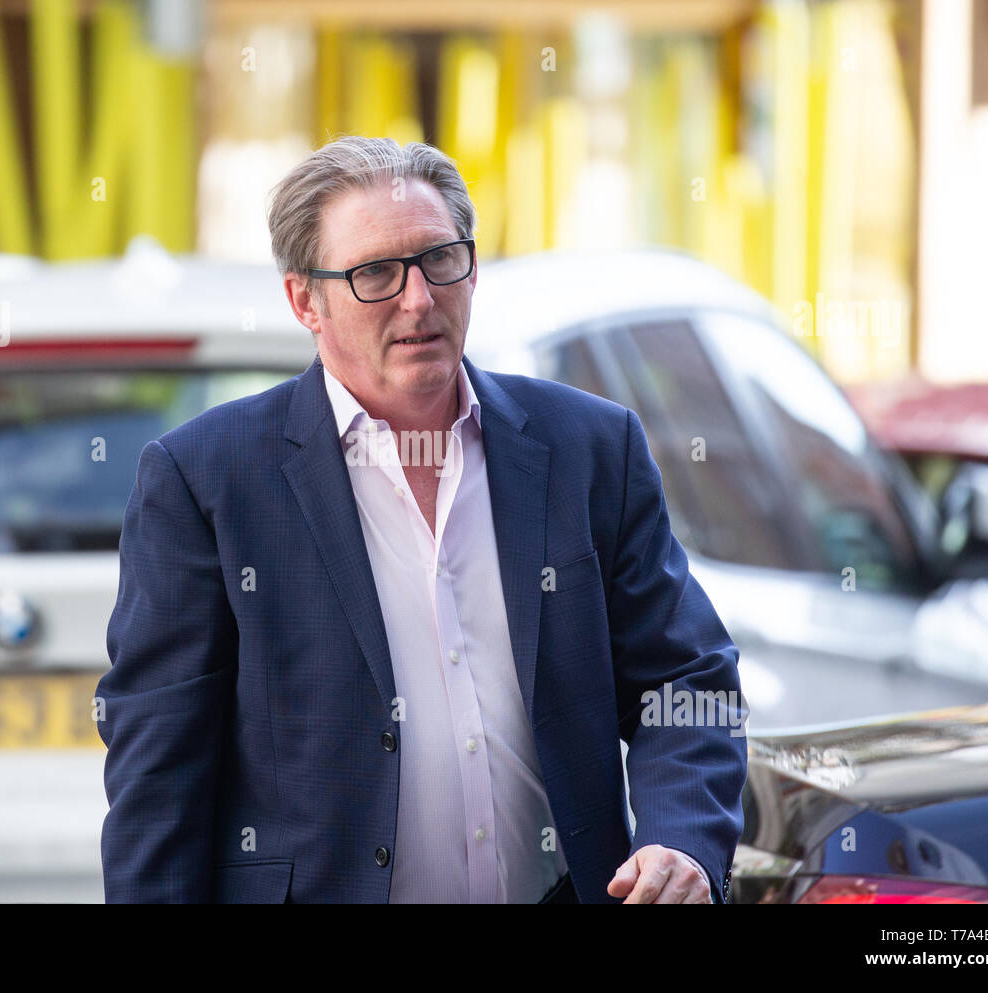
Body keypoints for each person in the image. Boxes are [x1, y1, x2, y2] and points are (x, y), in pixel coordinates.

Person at [98, 136, 748, 904]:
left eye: (441, 259)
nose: (418, 298)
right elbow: (158, 779)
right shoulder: (206, 481)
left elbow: (687, 677)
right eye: (375, 272)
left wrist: (680, 839)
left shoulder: (590, 449)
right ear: (305, 299)